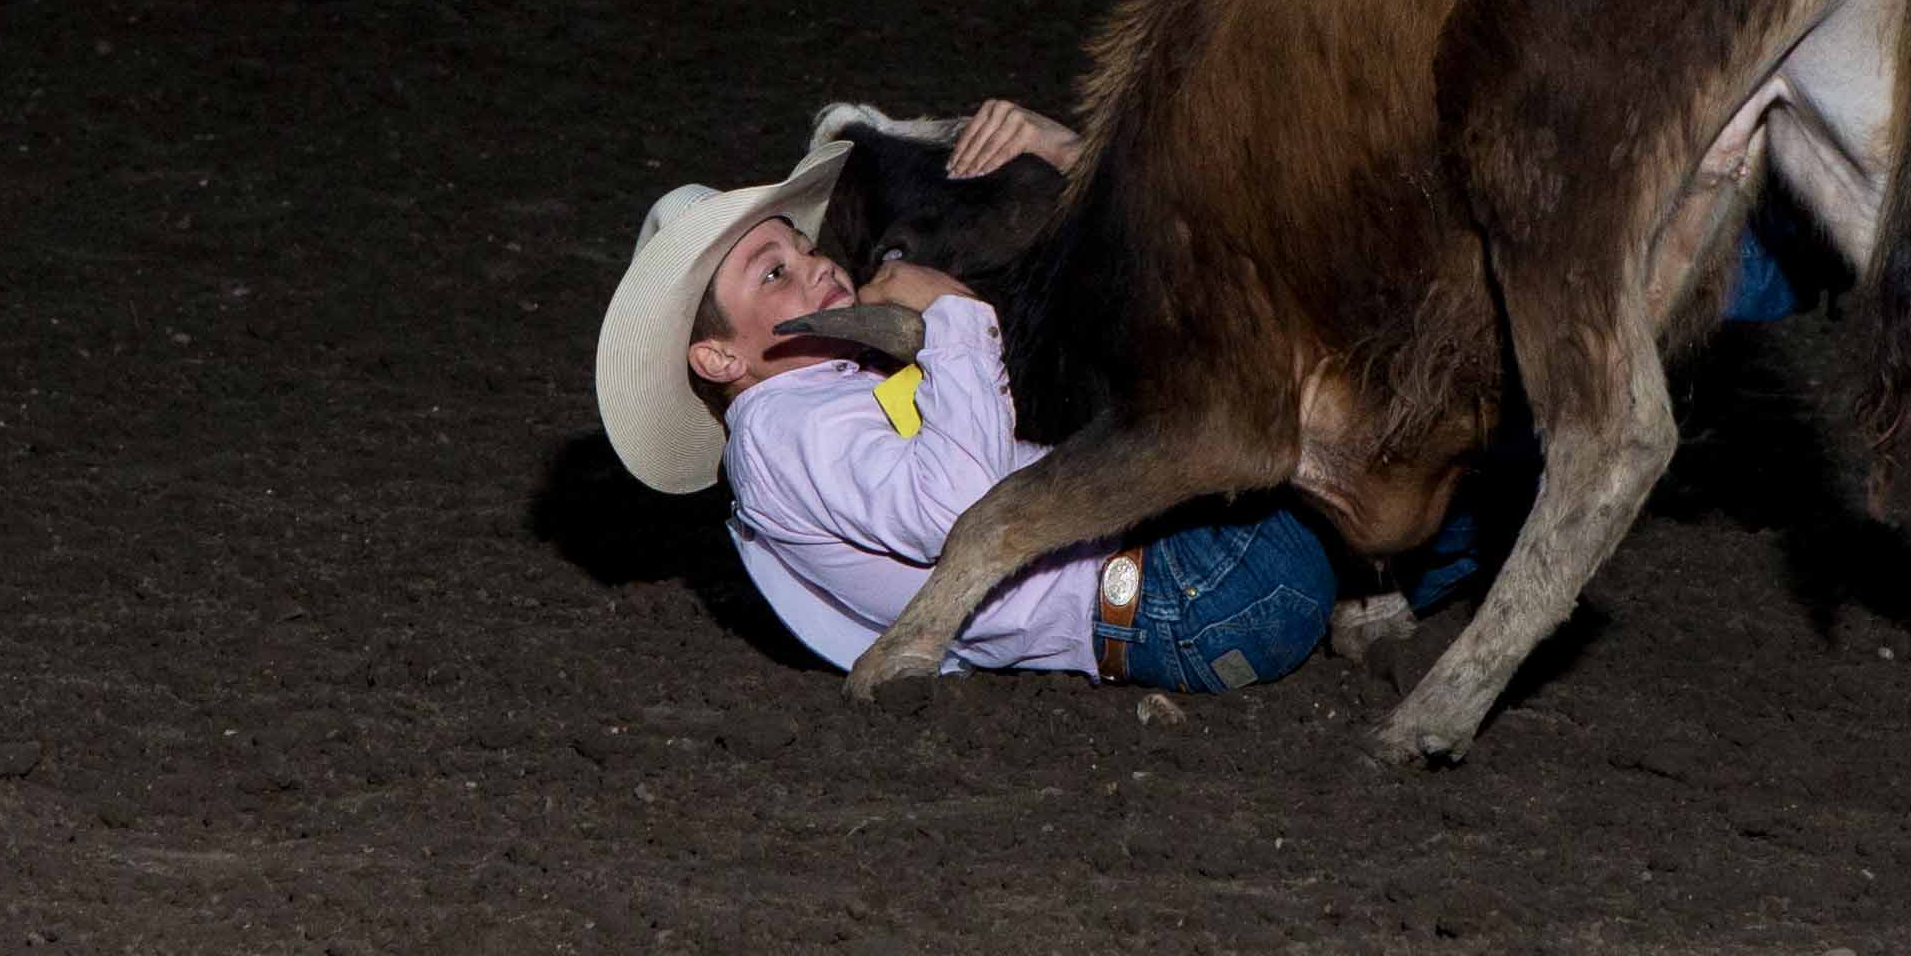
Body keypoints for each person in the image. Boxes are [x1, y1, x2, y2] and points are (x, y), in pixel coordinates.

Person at [594, 106, 1487, 694]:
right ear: (717, 355)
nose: (819, 265)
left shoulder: (811, 411)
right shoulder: (789, 432)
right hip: (1195, 587)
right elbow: (963, 512)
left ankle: (1370, 585)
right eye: (774, 273)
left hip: (1191, 606)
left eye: (799, 244)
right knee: (1370, 418)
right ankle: (1380, 576)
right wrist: (955, 314)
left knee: (1437, 471)